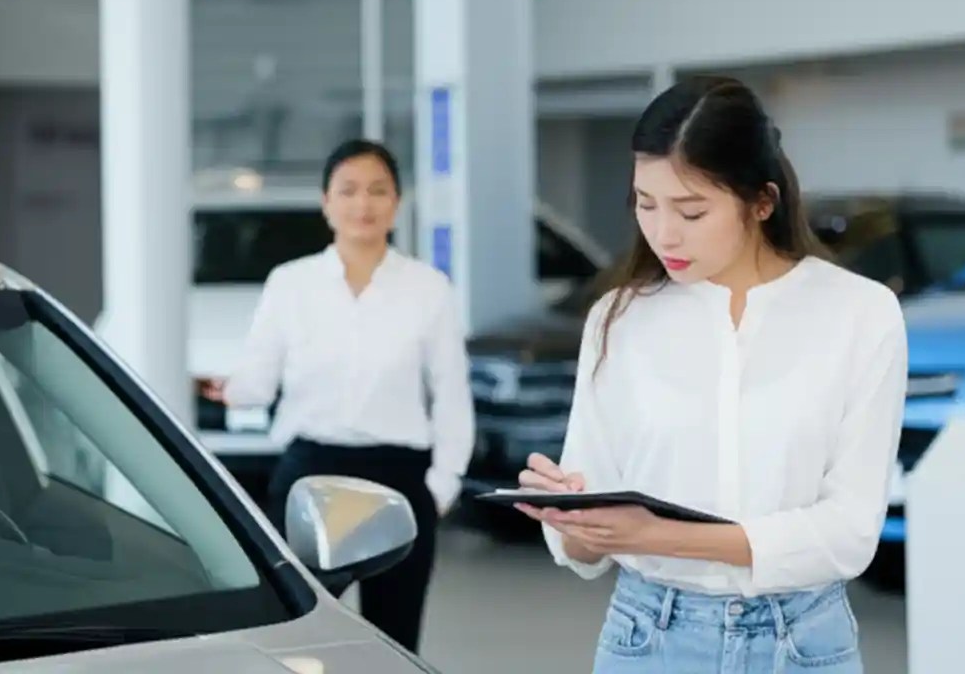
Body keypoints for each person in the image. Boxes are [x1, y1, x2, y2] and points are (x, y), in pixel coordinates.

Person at [515, 76, 907, 673]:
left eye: (691, 210)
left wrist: (650, 535)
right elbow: (580, 548)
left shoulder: (859, 312)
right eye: (645, 204)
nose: (663, 233)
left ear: (762, 202)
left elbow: (848, 532)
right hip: (647, 639)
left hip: (802, 644)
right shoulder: (619, 319)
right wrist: (572, 517)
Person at [219, 139, 475, 654]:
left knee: (394, 639)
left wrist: (441, 486)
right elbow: (258, 382)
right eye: (349, 190)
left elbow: (450, 392)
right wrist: (229, 389)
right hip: (311, 474)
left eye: (378, 191)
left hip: (399, 477)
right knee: (298, 638)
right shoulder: (291, 284)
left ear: (397, 203)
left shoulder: (429, 287)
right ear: (326, 202)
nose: (364, 204)